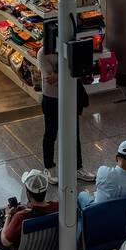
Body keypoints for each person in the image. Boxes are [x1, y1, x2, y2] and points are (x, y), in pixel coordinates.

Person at [39, 38, 94, 185]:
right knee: (51, 134)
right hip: (51, 99)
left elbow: (79, 70)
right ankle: (49, 167)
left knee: (73, 133)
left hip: (69, 97)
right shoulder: (42, 53)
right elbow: (50, 79)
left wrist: (59, 75)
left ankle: (77, 167)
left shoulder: (69, 48)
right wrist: (69, 72)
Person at [78, 139, 126, 210]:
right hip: (122, 218)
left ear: (117, 158)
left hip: (96, 216)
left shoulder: (102, 171)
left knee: (82, 195)